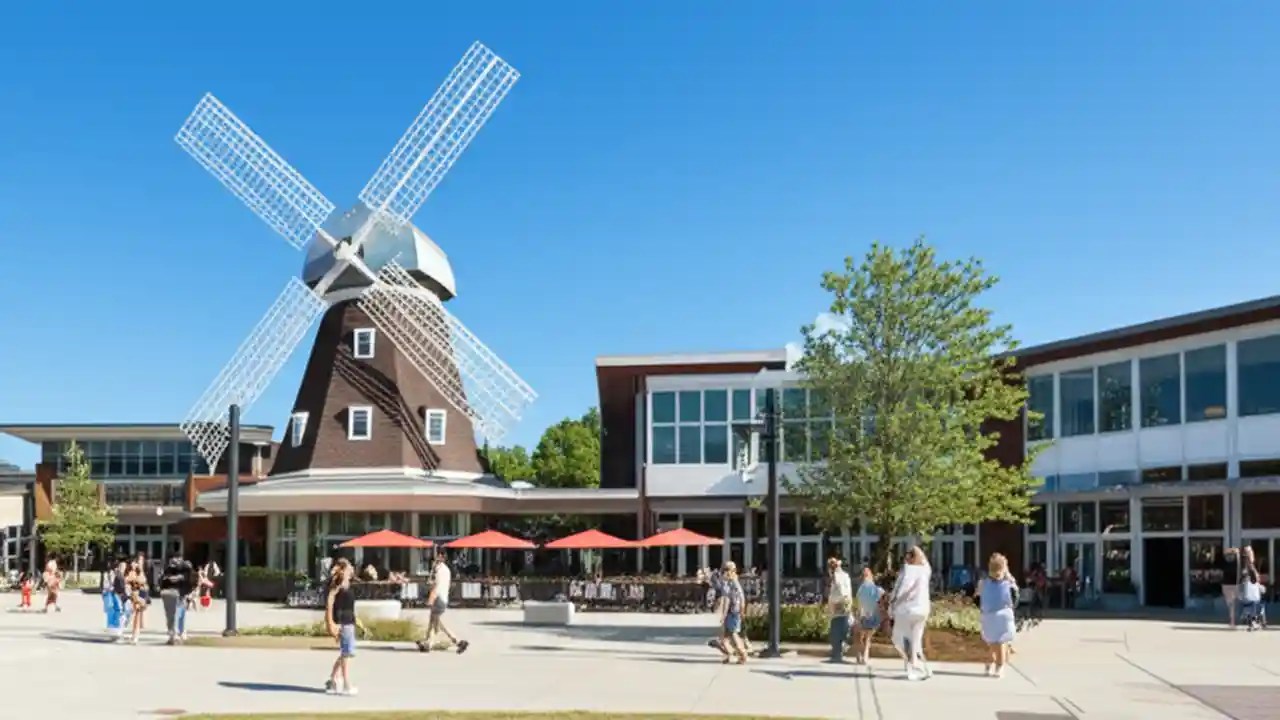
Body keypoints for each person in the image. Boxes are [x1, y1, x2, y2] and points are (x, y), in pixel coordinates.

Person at [889, 546, 933, 681]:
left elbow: (898, 591)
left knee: (903, 640)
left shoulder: (906, 572)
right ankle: (917, 665)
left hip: (906, 611)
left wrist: (892, 605)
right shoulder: (925, 570)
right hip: (922, 609)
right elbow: (923, 558)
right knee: (916, 640)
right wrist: (915, 549)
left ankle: (912, 666)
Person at [324, 558, 365, 695]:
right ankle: (346, 684)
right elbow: (330, 602)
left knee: (346, 653)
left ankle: (332, 681)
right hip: (342, 622)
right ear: (344, 569)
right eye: (350, 567)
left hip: (349, 621)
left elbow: (349, 606)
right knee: (346, 653)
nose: (352, 568)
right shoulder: (338, 583)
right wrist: (330, 622)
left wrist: (357, 621)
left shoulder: (348, 583)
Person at [975, 553, 1018, 678]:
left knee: (1000, 642)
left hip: (1001, 614)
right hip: (990, 615)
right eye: (995, 571)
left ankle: (999, 665)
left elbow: (1015, 597)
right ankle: (991, 662)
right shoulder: (984, 582)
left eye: (1000, 570)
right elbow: (978, 597)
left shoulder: (1008, 582)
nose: (997, 574)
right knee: (992, 642)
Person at [416, 552, 468, 654]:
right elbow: (446, 585)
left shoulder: (439, 571)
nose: (432, 564)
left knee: (437, 622)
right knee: (433, 622)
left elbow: (436, 587)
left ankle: (457, 641)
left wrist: (430, 599)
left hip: (438, 599)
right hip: (443, 598)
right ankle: (428, 644)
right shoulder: (446, 570)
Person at [159, 555, 194, 645]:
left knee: (177, 615)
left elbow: (187, 578)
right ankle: (175, 634)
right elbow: (164, 580)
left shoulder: (184, 569)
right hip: (173, 594)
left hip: (179, 595)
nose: (175, 562)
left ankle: (177, 633)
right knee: (174, 615)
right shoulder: (170, 569)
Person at [853, 566, 884, 665]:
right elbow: (883, 597)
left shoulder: (861, 589)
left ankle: (859, 655)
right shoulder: (876, 588)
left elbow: (859, 603)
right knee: (867, 637)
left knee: (859, 636)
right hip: (872, 615)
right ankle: (864, 656)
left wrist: (858, 615)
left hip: (863, 615)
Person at [720, 561, 748, 665]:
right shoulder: (735, 582)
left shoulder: (728, 583)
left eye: (725, 570)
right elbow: (742, 598)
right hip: (736, 611)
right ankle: (728, 655)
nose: (724, 572)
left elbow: (727, 600)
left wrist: (723, 615)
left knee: (733, 635)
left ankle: (743, 654)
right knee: (725, 637)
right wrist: (742, 610)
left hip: (731, 612)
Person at [826, 557, 853, 663]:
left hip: (841, 606)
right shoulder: (834, 576)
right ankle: (836, 652)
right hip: (836, 607)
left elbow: (844, 591)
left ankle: (838, 652)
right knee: (836, 630)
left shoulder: (842, 576)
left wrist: (844, 603)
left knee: (841, 629)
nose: (832, 567)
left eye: (833, 564)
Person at [1218, 547, 1241, 628]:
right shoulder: (1227, 563)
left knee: (1232, 604)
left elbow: (1237, 561)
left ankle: (1232, 620)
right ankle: (1232, 620)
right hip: (1229, 584)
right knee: (1231, 604)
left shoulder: (1232, 562)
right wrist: (1234, 551)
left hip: (1231, 584)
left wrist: (1235, 552)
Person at [125, 561, 147, 645]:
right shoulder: (130, 573)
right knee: (133, 616)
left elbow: (143, 583)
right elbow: (126, 580)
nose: (134, 565)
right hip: (132, 596)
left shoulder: (140, 574)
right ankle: (134, 635)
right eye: (132, 563)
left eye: (136, 564)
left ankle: (135, 636)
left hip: (139, 596)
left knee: (137, 616)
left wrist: (136, 579)